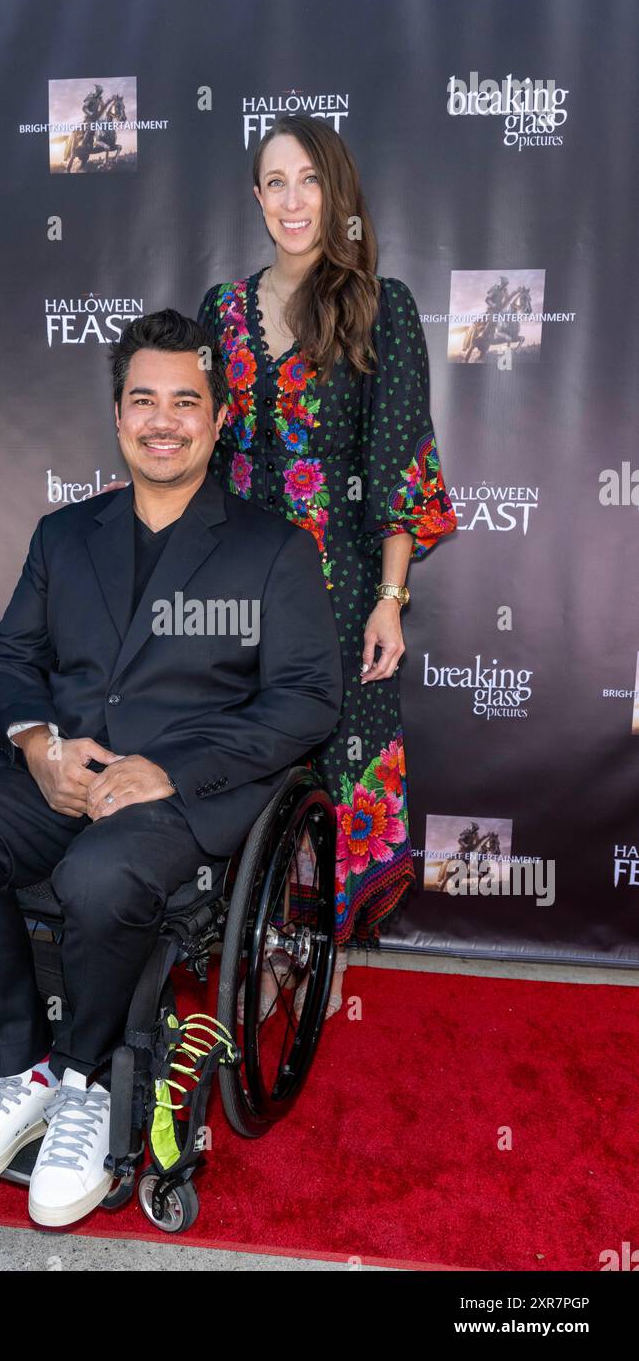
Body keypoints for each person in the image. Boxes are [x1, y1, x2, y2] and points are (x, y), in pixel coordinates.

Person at [0, 308, 343, 1228]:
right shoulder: (64, 535)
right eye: (144, 399)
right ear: (117, 416)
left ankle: (87, 1078)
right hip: (60, 776)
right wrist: (37, 747)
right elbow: (13, 660)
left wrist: (169, 770)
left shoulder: (274, 550)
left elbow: (305, 700)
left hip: (186, 796)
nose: (164, 419)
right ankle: (15, 1073)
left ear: (219, 421)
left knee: (101, 874)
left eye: (188, 400)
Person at [196, 113, 457, 1017]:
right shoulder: (222, 311)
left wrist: (392, 597)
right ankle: (236, 937)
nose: (293, 200)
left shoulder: (381, 306)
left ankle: (301, 954)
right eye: (276, 182)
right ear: (257, 199)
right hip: (231, 585)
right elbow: (198, 454)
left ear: (335, 193)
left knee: (330, 773)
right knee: (238, 760)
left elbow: (400, 464)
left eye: (309, 180)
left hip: (341, 591)